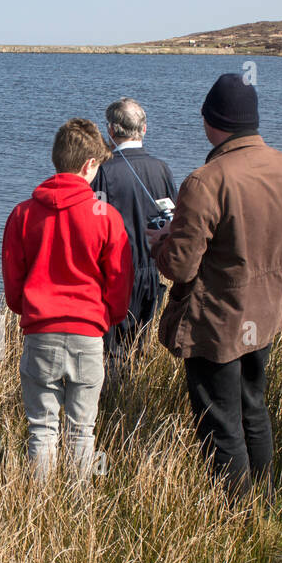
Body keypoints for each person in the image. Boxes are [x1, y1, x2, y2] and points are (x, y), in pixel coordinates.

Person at [148, 74, 282, 496]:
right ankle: (264, 501)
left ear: (211, 120)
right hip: (266, 313)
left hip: (217, 322)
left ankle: (235, 521)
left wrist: (160, 243)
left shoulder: (205, 181)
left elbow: (180, 268)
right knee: (254, 408)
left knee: (220, 424)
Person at [2, 118, 132, 478]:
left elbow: (14, 290)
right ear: (89, 165)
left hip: (40, 332)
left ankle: (38, 512)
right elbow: (119, 287)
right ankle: (76, 510)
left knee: (41, 431)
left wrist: (32, 309)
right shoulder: (106, 217)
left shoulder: (23, 215)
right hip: (89, 334)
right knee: (81, 431)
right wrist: (107, 317)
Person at [91, 98, 178, 382]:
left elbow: (93, 226)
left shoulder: (104, 171)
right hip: (153, 274)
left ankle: (113, 411)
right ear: (144, 129)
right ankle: (132, 405)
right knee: (139, 348)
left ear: (111, 131)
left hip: (118, 275)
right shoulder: (162, 169)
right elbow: (173, 219)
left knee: (111, 352)